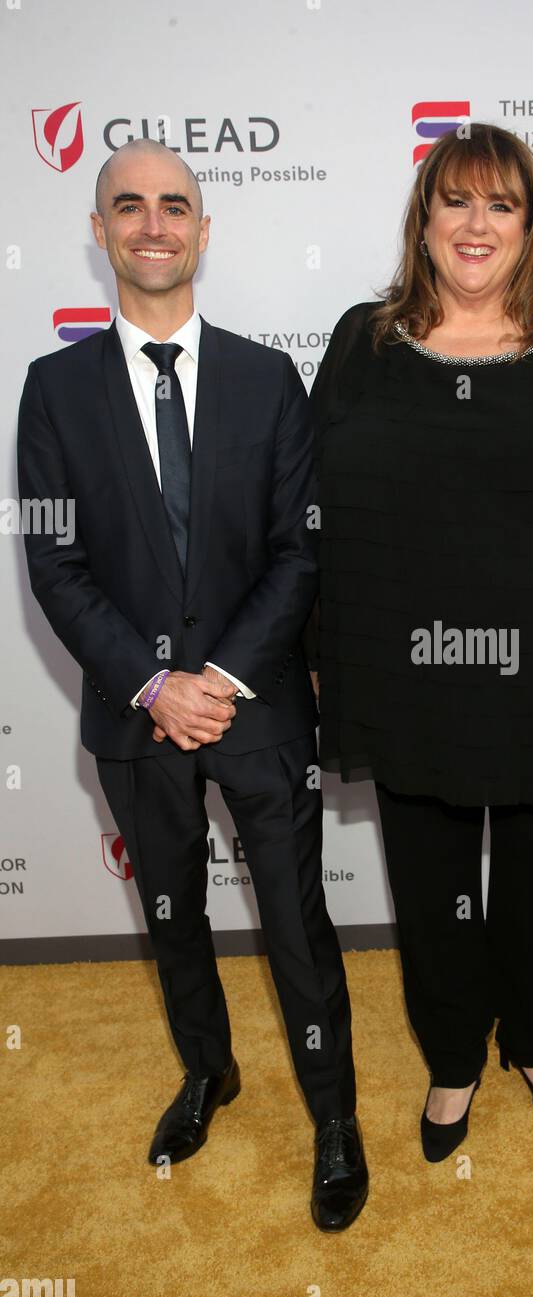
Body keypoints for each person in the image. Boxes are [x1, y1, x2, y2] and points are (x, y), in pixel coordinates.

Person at [17, 139, 367, 1231]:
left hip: (255, 706)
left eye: (175, 206)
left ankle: (333, 1117)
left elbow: (298, 551)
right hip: (136, 720)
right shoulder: (54, 387)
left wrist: (210, 677)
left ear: (203, 231)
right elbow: (53, 562)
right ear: (100, 230)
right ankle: (206, 1072)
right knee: (172, 915)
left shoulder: (269, 379)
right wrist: (151, 685)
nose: (153, 224)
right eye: (130, 206)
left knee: (297, 925)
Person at [308, 124, 533, 1162]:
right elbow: (312, 509)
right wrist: (320, 652)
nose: (476, 223)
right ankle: (454, 1055)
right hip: (405, 669)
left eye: (500, 204)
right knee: (430, 875)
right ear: (424, 218)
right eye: (455, 200)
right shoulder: (361, 339)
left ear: (528, 223)